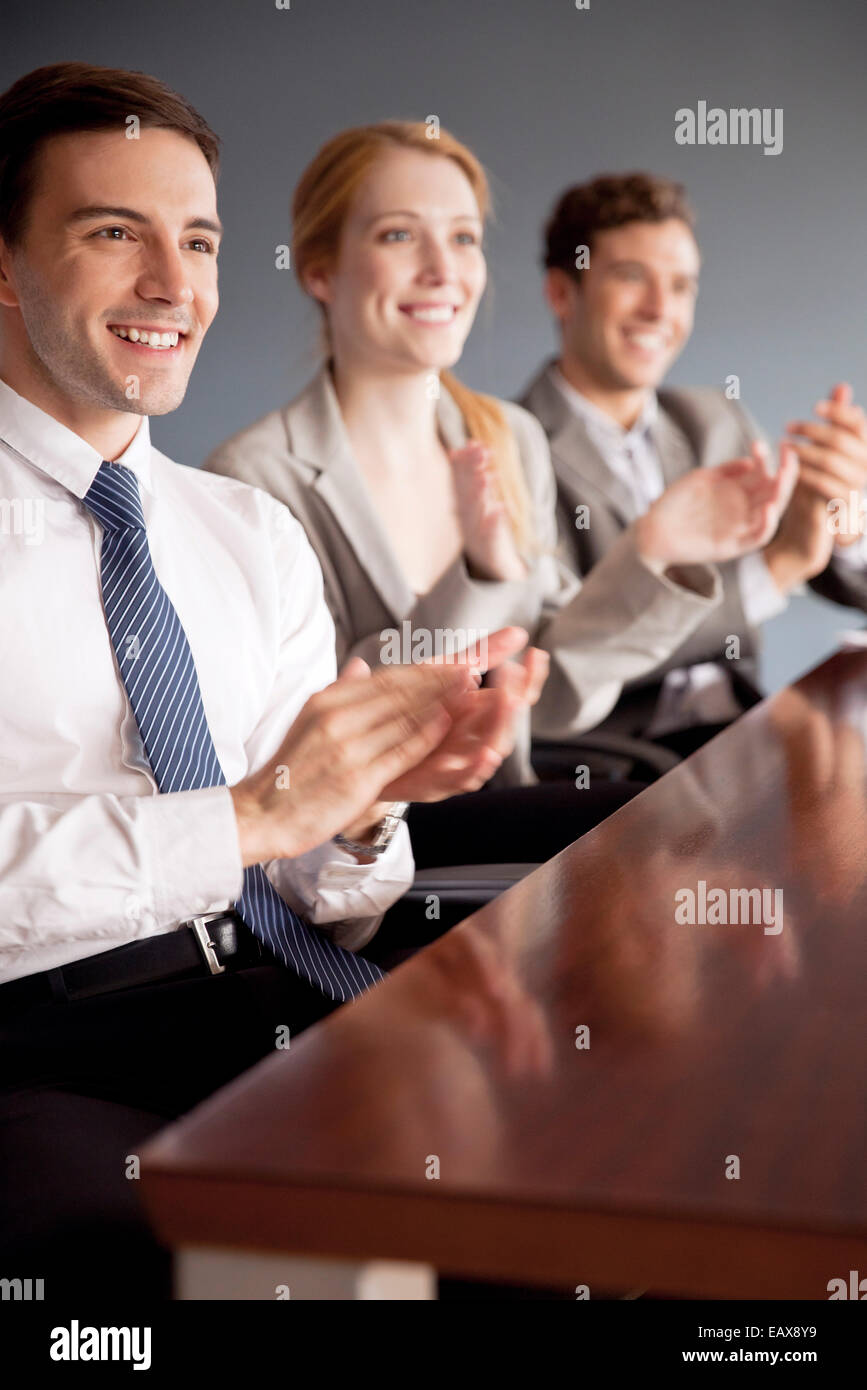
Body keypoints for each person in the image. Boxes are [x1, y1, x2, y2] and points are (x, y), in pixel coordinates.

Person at [0, 62, 539, 1301]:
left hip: (277, 987)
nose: (173, 287)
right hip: (45, 1049)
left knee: (606, 1127)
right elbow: (247, 831)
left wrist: (363, 803)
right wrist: (240, 820)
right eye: (112, 234)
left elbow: (332, 896)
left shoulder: (247, 532)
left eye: (197, 241)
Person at [204, 123, 795, 868]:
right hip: (366, 847)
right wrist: (477, 580)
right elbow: (323, 734)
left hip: (506, 803)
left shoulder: (505, 436)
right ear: (319, 270)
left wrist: (654, 552)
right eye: (397, 236)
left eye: (462, 238)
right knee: (672, 831)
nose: (441, 269)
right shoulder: (255, 478)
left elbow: (555, 698)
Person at [520, 172, 867, 755]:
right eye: (631, 277)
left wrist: (844, 521)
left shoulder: (713, 419)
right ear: (562, 292)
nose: (660, 309)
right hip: (614, 768)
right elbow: (561, 664)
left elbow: (844, 577)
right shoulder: (514, 445)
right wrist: (773, 572)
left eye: (681, 286)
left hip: (745, 737)